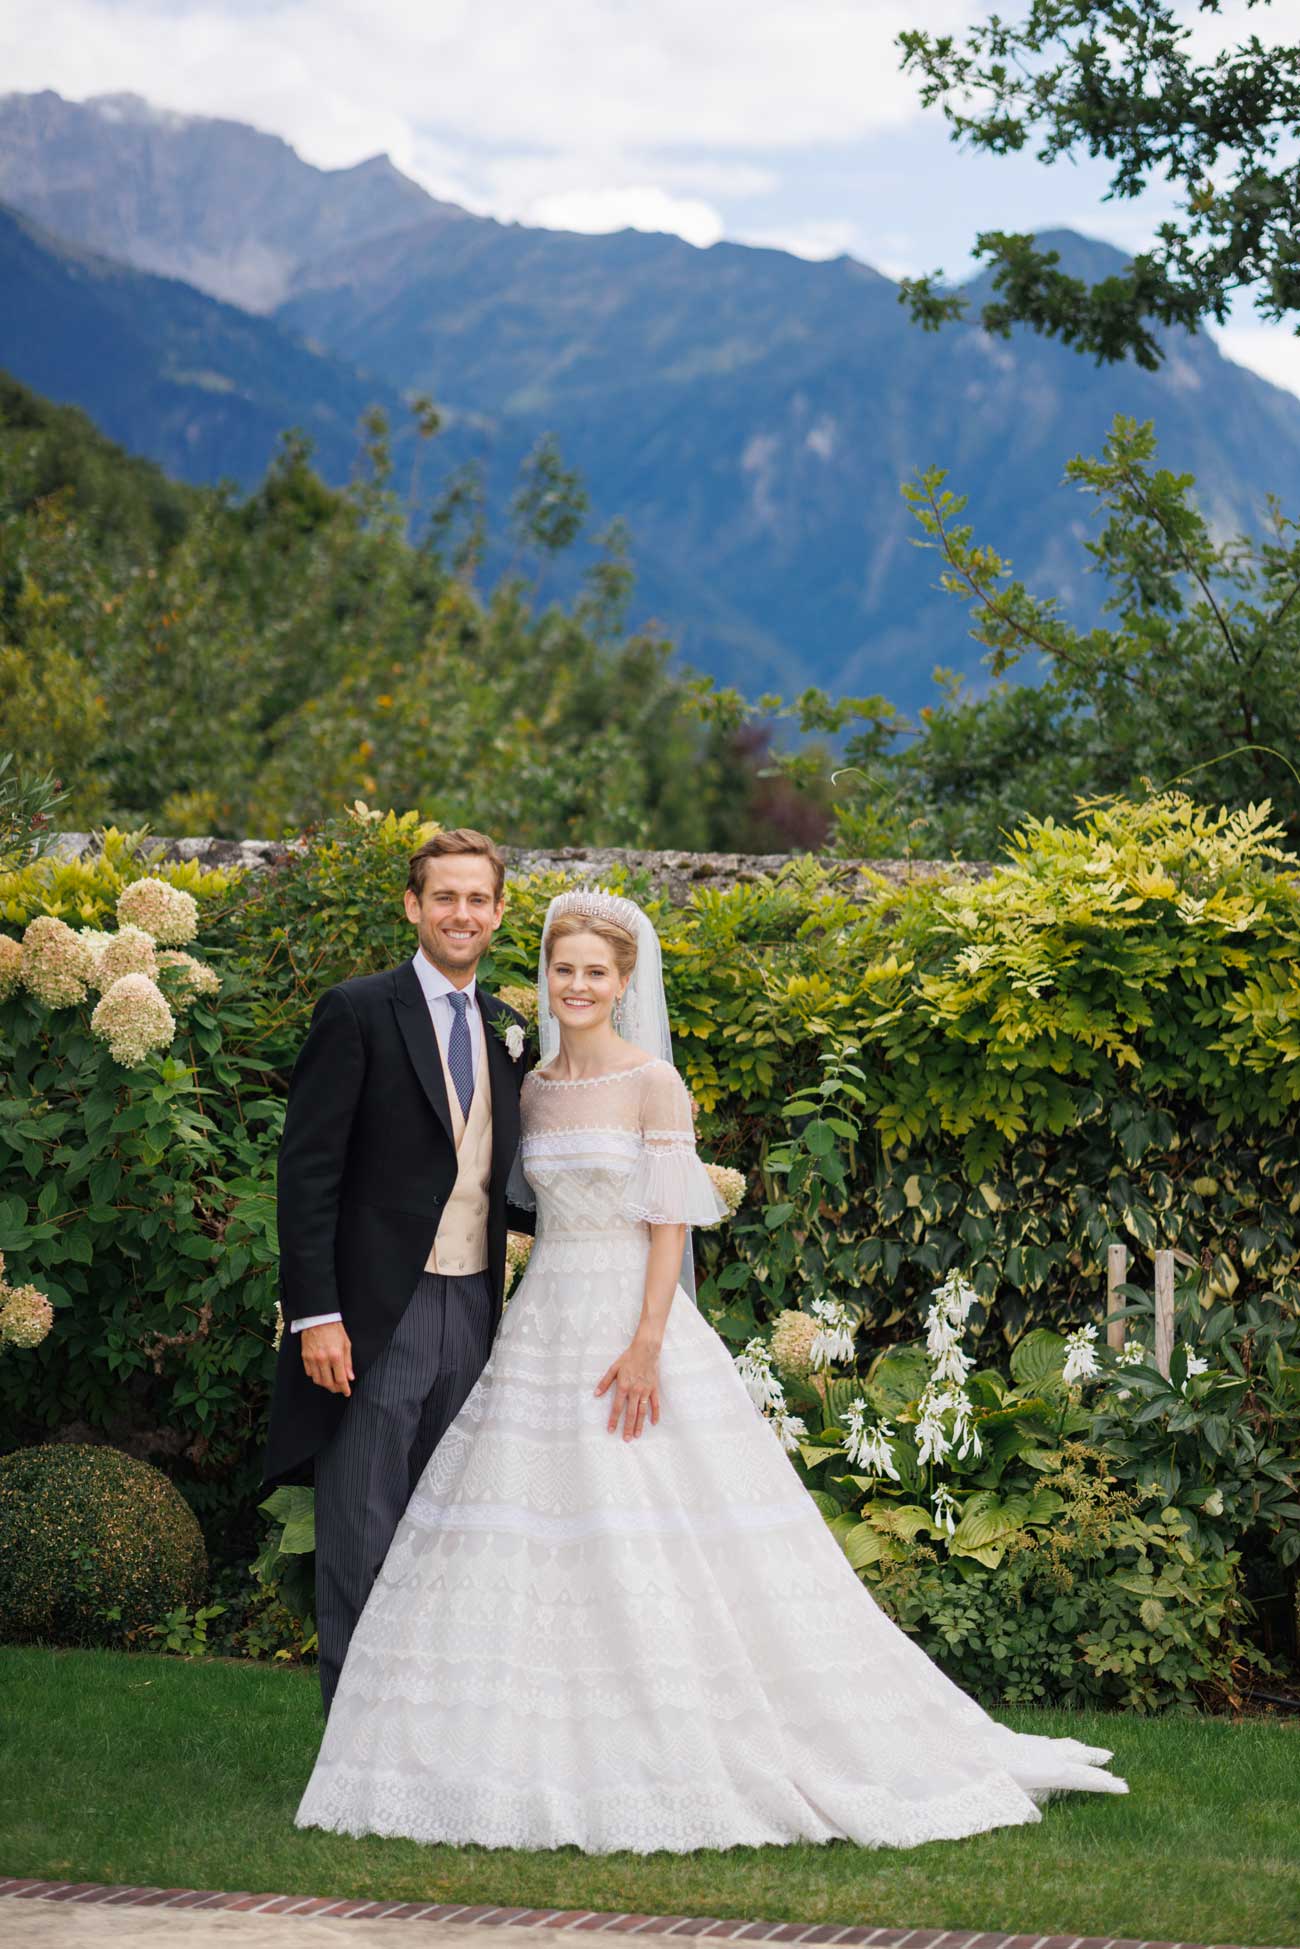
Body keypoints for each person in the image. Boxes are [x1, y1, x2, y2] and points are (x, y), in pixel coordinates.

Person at [294, 886, 1126, 1851]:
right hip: (540, 1324)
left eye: (595, 972)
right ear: (545, 974)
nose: (575, 985)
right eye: (562, 968)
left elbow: (669, 1225)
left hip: (631, 1324)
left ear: (624, 981)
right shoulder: (531, 1084)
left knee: (655, 1521)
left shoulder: (655, 1083)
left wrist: (648, 1341)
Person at [262, 827, 534, 1715]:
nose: (462, 913)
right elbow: (308, 1174)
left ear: (498, 913)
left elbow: (506, 1179)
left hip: (475, 1311)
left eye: (478, 898)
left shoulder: (508, 1029)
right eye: (444, 896)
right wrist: (317, 1315)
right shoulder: (357, 1011)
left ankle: (426, 1740)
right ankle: (352, 1749)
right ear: (414, 905)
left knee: (446, 1536)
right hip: (379, 1314)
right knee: (363, 1534)